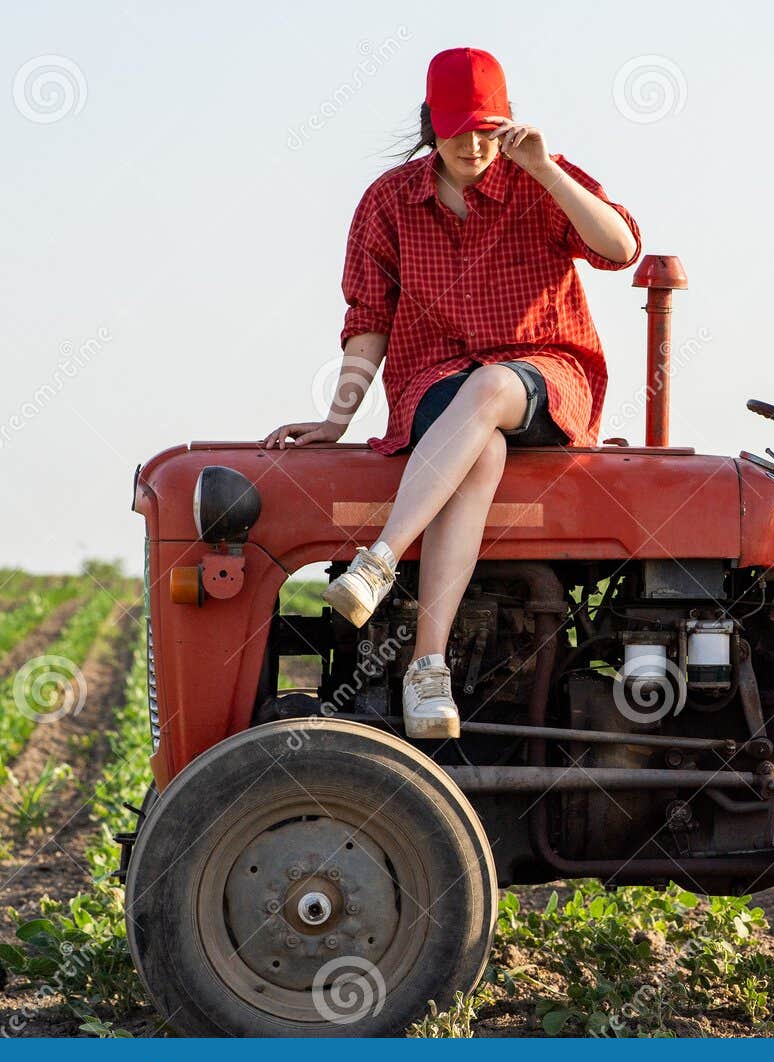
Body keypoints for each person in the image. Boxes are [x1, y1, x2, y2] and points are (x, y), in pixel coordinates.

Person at [262, 46, 640, 739]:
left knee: (494, 387)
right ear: (432, 122)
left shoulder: (539, 180)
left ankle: (379, 560)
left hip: (545, 376)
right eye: (460, 127)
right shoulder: (389, 201)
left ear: (509, 124)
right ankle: (427, 668)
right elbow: (368, 320)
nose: (474, 143)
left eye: (488, 127)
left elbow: (619, 249)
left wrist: (546, 169)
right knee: (483, 452)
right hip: (435, 381)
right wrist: (336, 417)